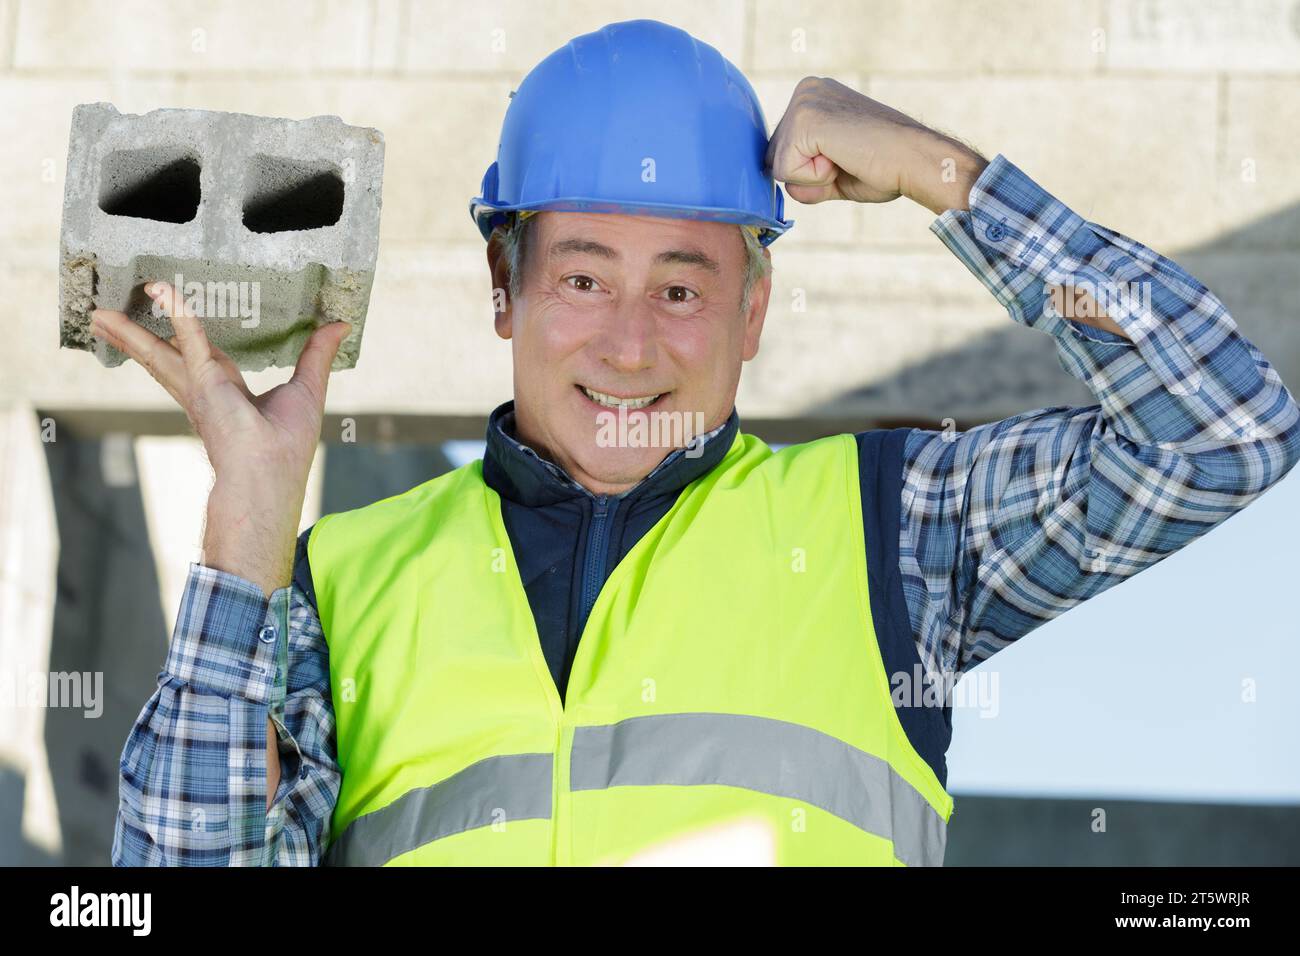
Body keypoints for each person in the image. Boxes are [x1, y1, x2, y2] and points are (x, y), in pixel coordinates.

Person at [102, 20, 1298, 866]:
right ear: (502, 287)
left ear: (753, 313)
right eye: (580, 276)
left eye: (682, 289)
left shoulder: (891, 533)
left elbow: (1221, 430)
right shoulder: (338, 584)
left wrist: (951, 181)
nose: (629, 347)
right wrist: (248, 527)